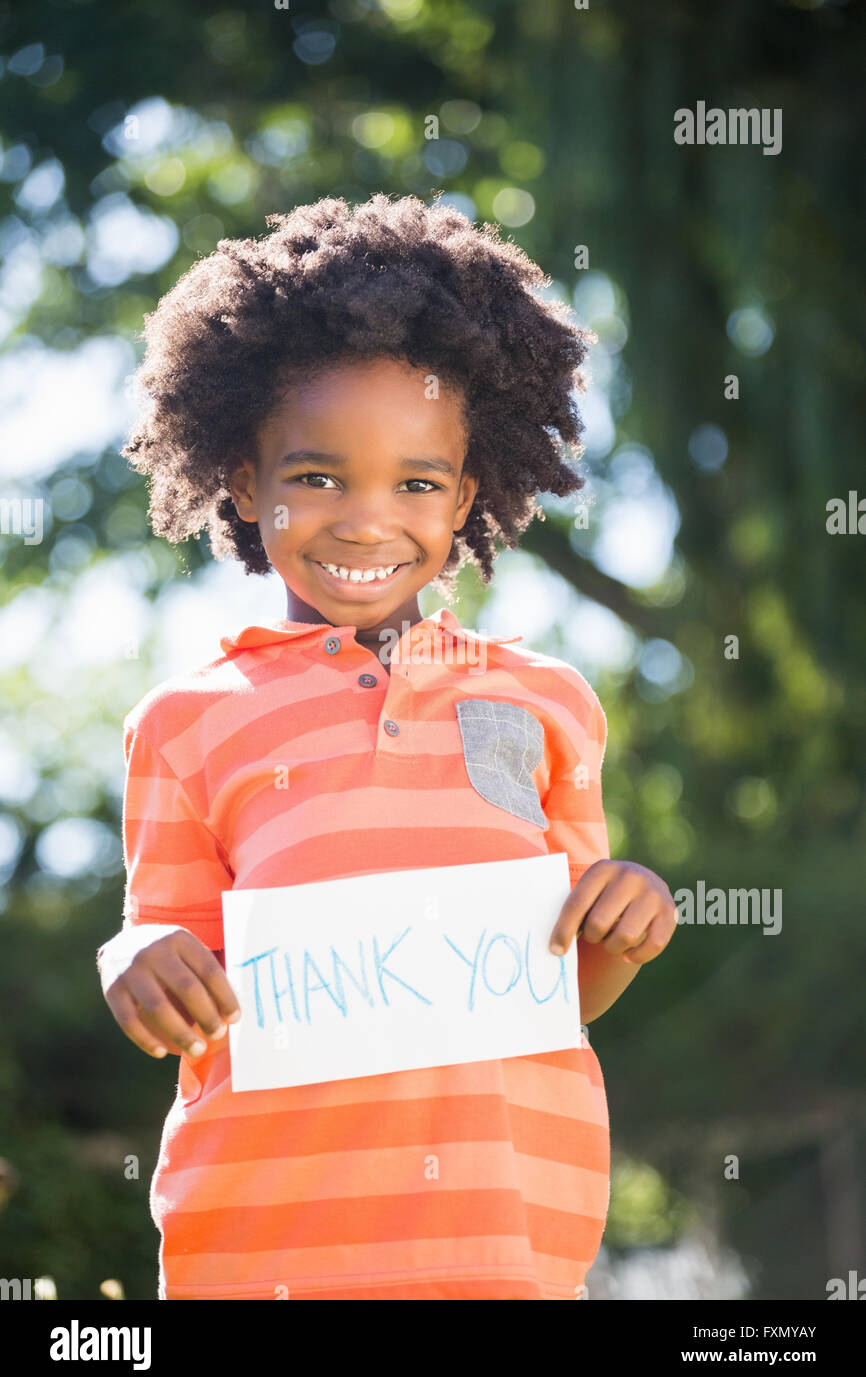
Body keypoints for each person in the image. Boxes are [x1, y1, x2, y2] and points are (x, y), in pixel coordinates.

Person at [97, 194, 677, 1300]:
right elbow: (157, 946)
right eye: (316, 477)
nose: (366, 519)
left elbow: (564, 982)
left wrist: (624, 917)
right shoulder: (187, 721)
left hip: (500, 1251)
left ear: (463, 497)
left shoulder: (546, 702)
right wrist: (130, 961)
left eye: (414, 483)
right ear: (243, 485)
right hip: (262, 1251)